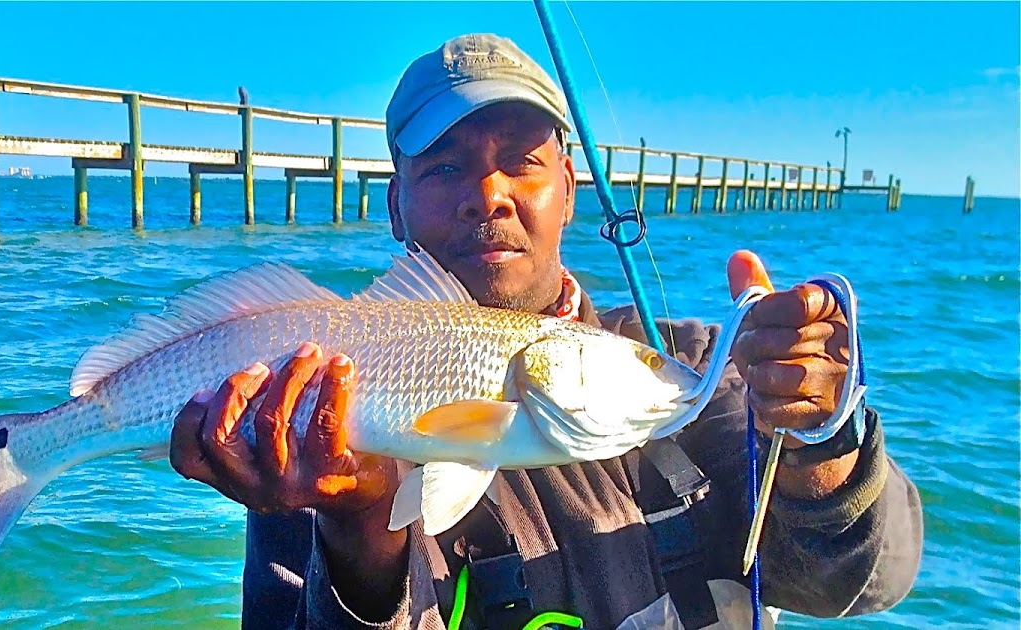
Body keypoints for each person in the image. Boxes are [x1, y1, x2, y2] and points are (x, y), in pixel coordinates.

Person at [169, 33, 923, 629]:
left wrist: (818, 438)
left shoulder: (689, 366)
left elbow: (858, 584)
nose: (488, 195)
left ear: (567, 189)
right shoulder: (311, 426)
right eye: (444, 169)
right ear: (396, 207)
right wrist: (361, 531)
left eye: (521, 162)